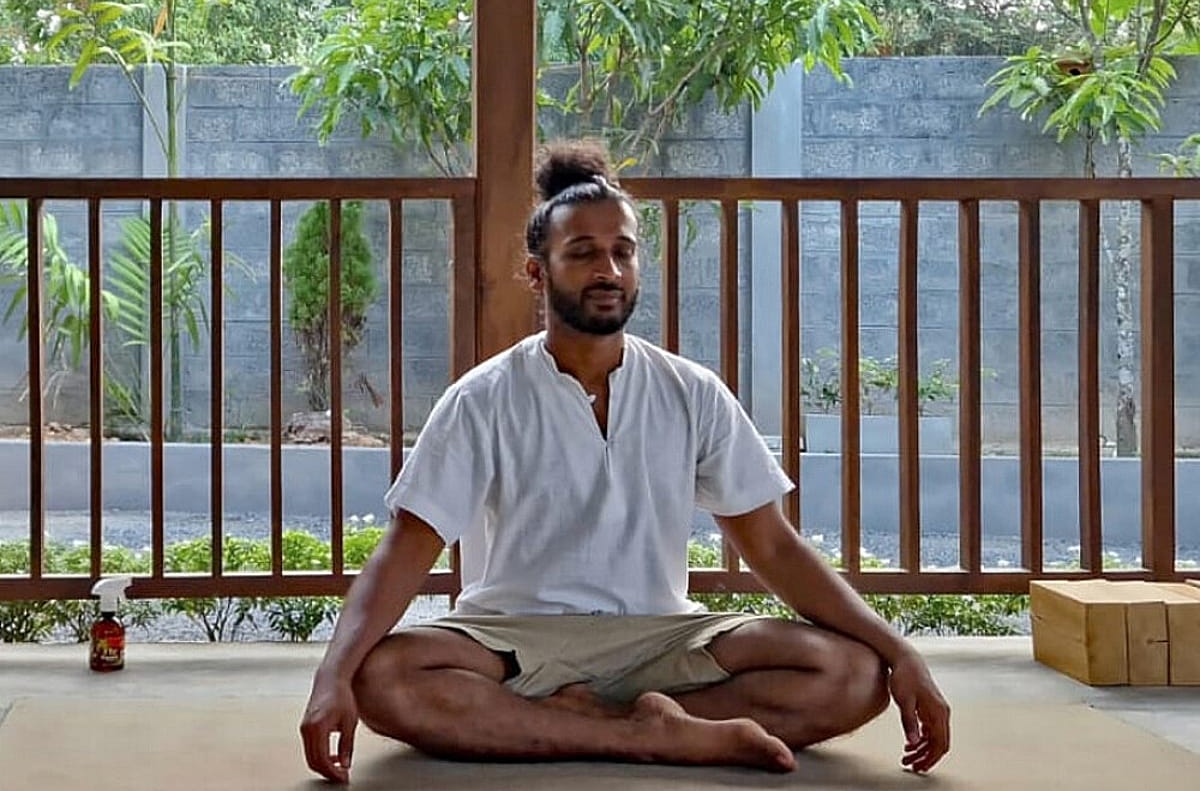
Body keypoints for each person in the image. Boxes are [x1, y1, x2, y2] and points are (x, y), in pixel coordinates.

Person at [300, 141, 951, 784]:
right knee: (383, 678)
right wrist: (332, 673)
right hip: (512, 637)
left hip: (665, 637)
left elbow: (774, 547)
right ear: (537, 272)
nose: (606, 269)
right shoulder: (483, 397)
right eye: (582, 253)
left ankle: (581, 727)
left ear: (638, 266)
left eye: (622, 251)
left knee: (854, 674)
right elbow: (408, 547)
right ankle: (650, 734)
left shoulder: (689, 389)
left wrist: (899, 649)